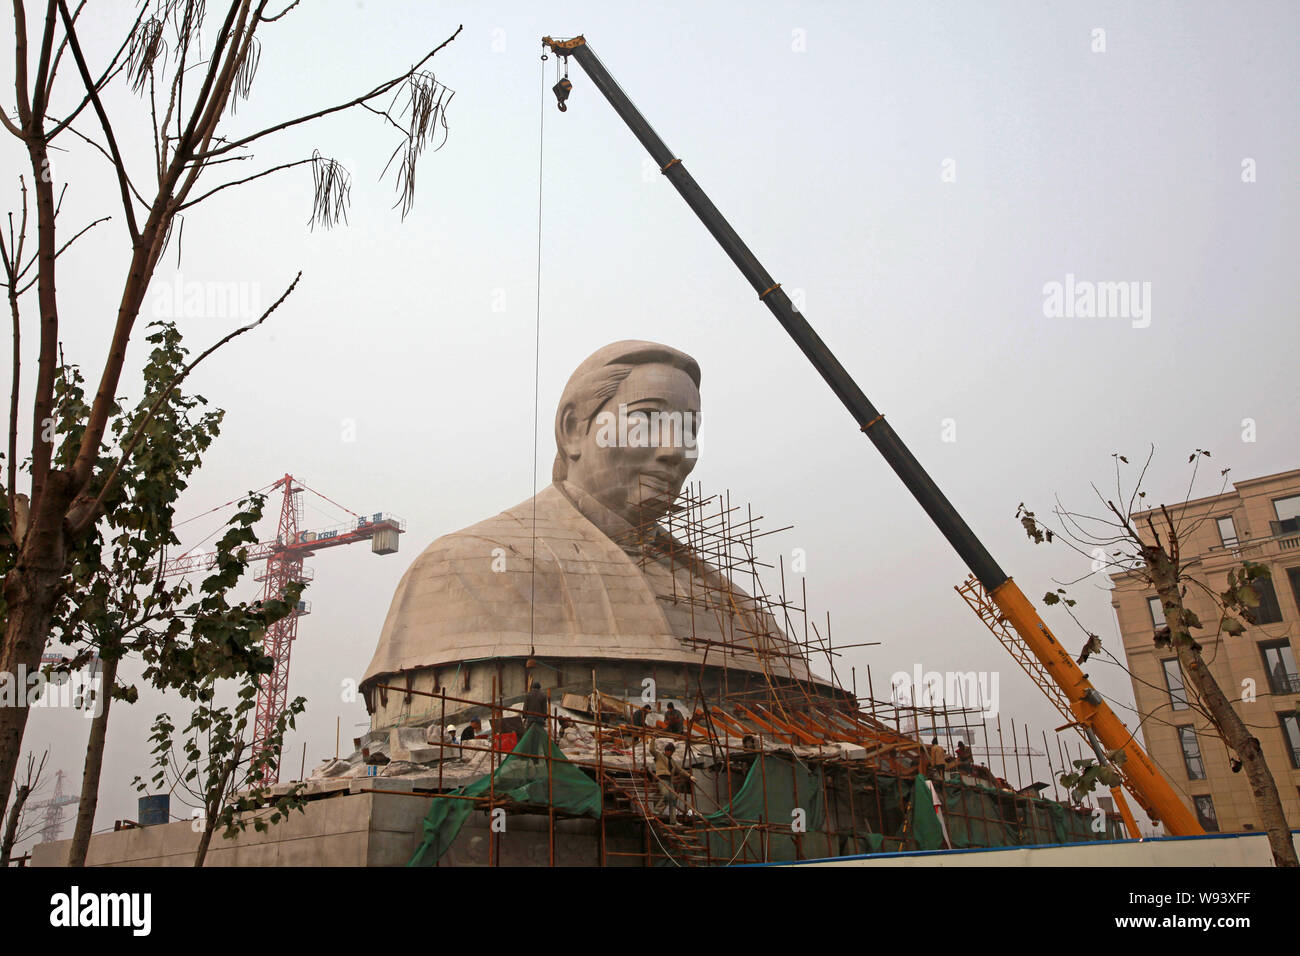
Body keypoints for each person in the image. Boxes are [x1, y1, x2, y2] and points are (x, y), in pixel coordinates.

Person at [652, 742, 680, 823]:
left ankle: (673, 821)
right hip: (662, 779)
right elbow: (651, 750)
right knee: (666, 794)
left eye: (671, 752)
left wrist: (689, 776)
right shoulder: (659, 756)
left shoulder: (672, 761)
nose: (670, 753)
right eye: (669, 751)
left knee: (673, 799)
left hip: (670, 781)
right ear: (666, 750)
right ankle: (657, 810)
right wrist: (653, 739)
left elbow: (679, 769)